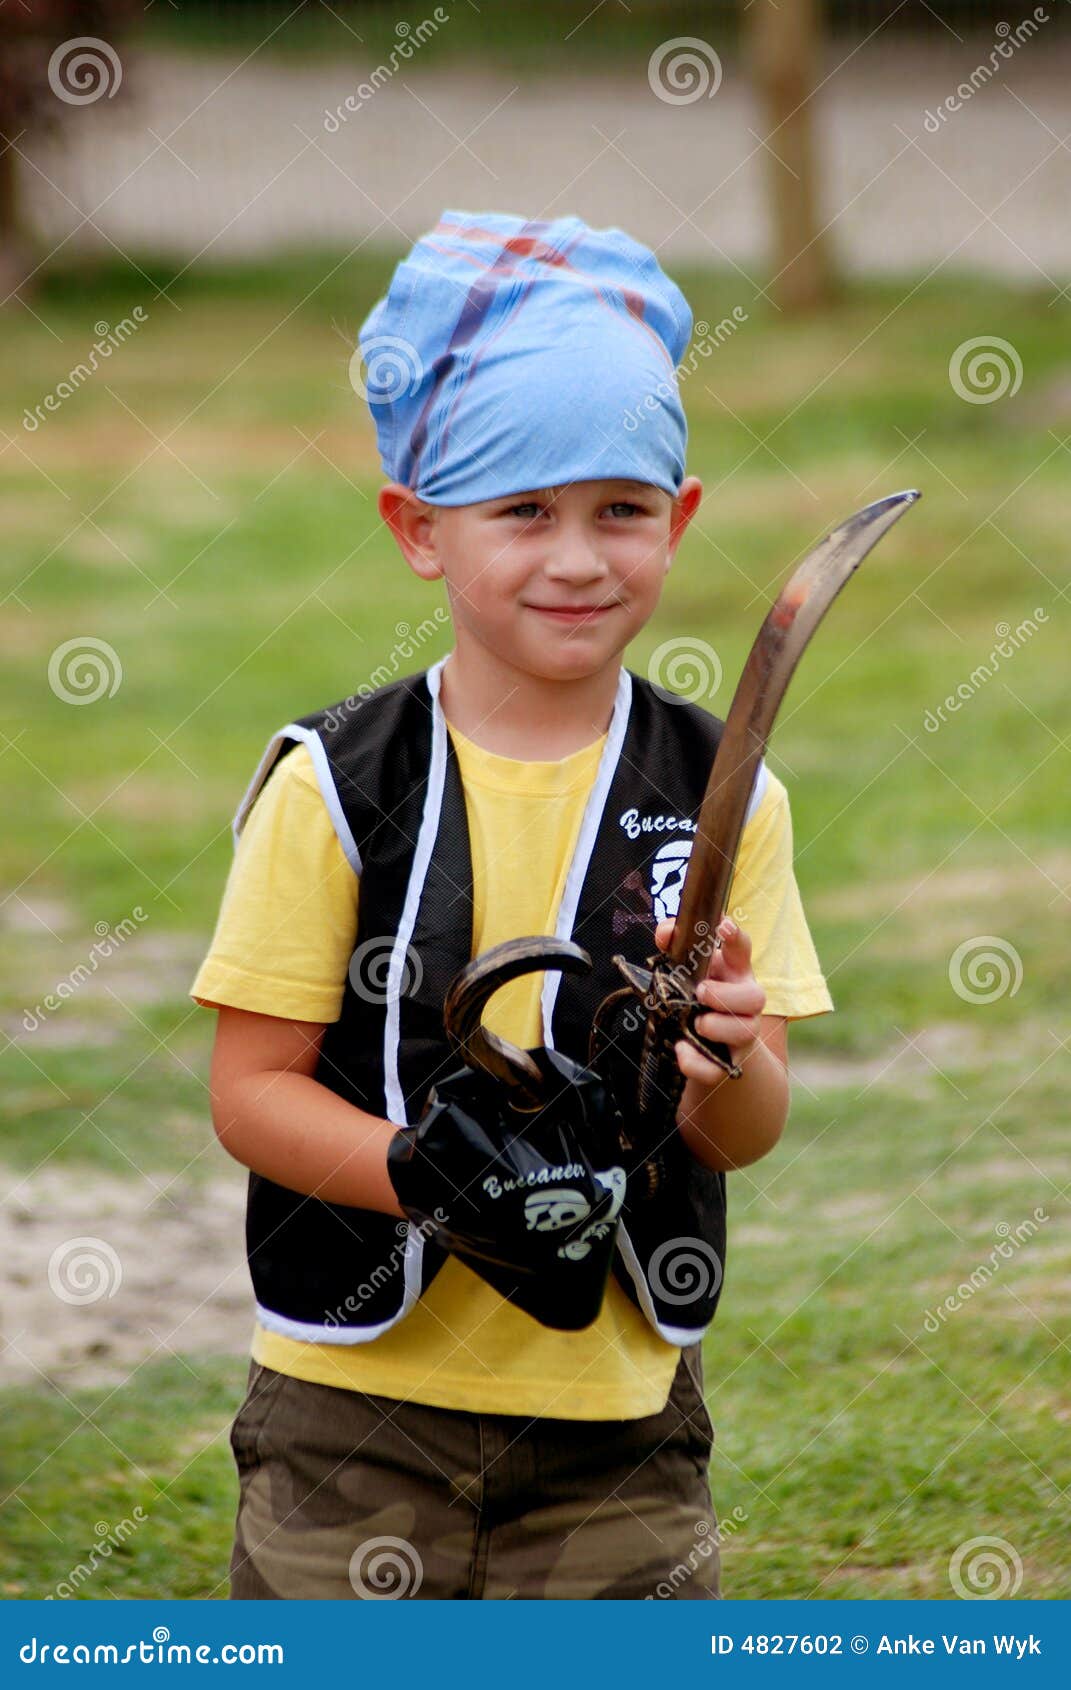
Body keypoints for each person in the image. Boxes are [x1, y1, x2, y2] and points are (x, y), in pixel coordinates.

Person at [190, 209, 833, 1601]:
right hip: (349, 1416)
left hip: (620, 1432)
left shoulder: (728, 793)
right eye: (520, 510)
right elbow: (250, 1091)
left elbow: (748, 1126)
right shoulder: (336, 786)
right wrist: (418, 1172)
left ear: (684, 517)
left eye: (622, 507)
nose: (578, 557)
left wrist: (728, 1051)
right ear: (419, 529)